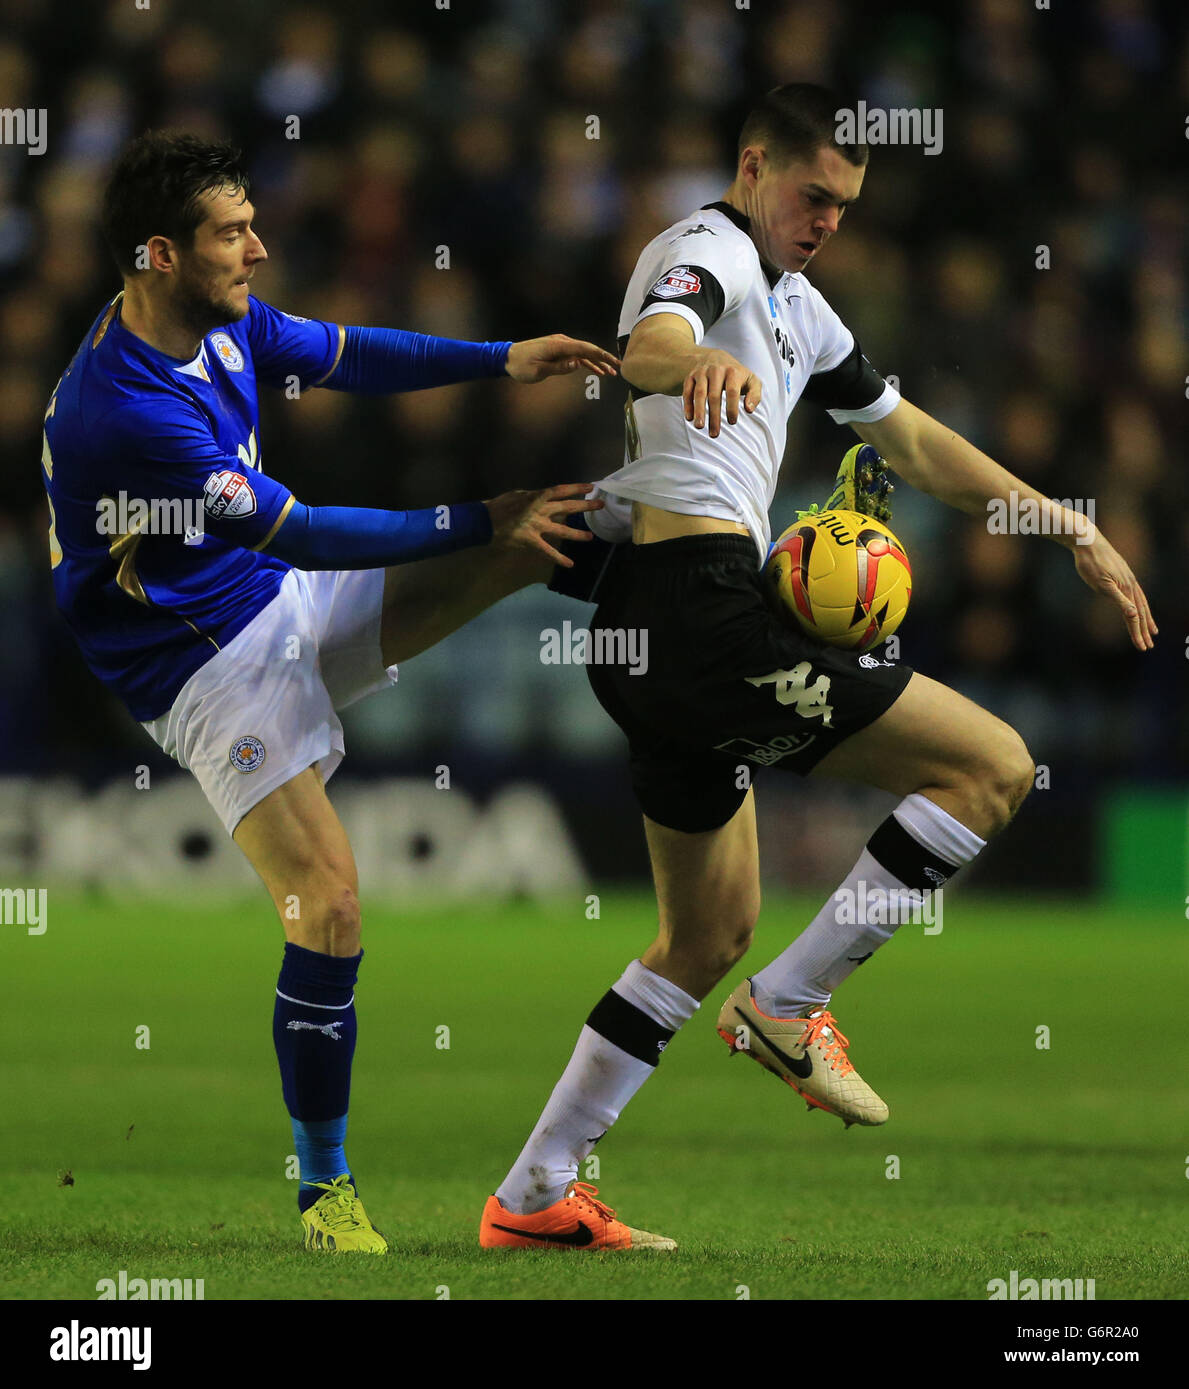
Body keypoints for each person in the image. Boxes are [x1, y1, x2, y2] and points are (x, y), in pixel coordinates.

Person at [476, 83, 1156, 1252]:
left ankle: (532, 1195)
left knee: (703, 934)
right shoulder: (708, 250)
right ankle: (791, 1006)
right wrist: (685, 367)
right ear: (752, 168)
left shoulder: (800, 305)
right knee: (993, 768)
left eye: (844, 203)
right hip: (697, 615)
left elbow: (915, 444)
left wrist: (1068, 526)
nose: (827, 217)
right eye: (811, 194)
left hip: (662, 629)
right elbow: (649, 340)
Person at [41, 130, 618, 1253]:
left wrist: (505, 358)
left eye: (252, 221)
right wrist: (472, 516)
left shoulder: (221, 322)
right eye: (231, 232)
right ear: (159, 254)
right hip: (200, 661)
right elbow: (298, 528)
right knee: (332, 909)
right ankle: (324, 1191)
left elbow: (348, 352)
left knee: (558, 521)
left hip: (274, 597)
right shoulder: (118, 409)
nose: (258, 246)